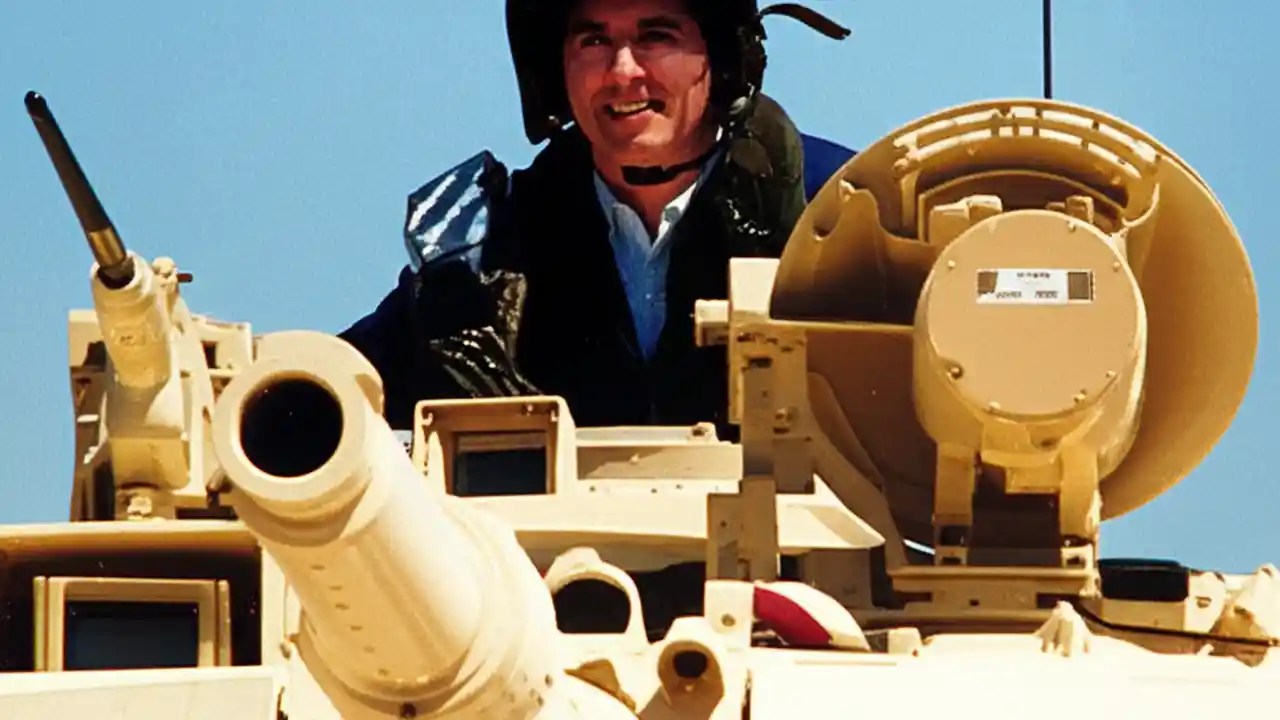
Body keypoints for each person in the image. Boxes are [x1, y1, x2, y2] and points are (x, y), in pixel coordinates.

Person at [340, 0, 852, 435]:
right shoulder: (483, 253)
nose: (622, 72)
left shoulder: (843, 213)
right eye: (594, 41)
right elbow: (330, 398)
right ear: (556, 67)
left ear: (722, 57)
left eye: (656, 36)